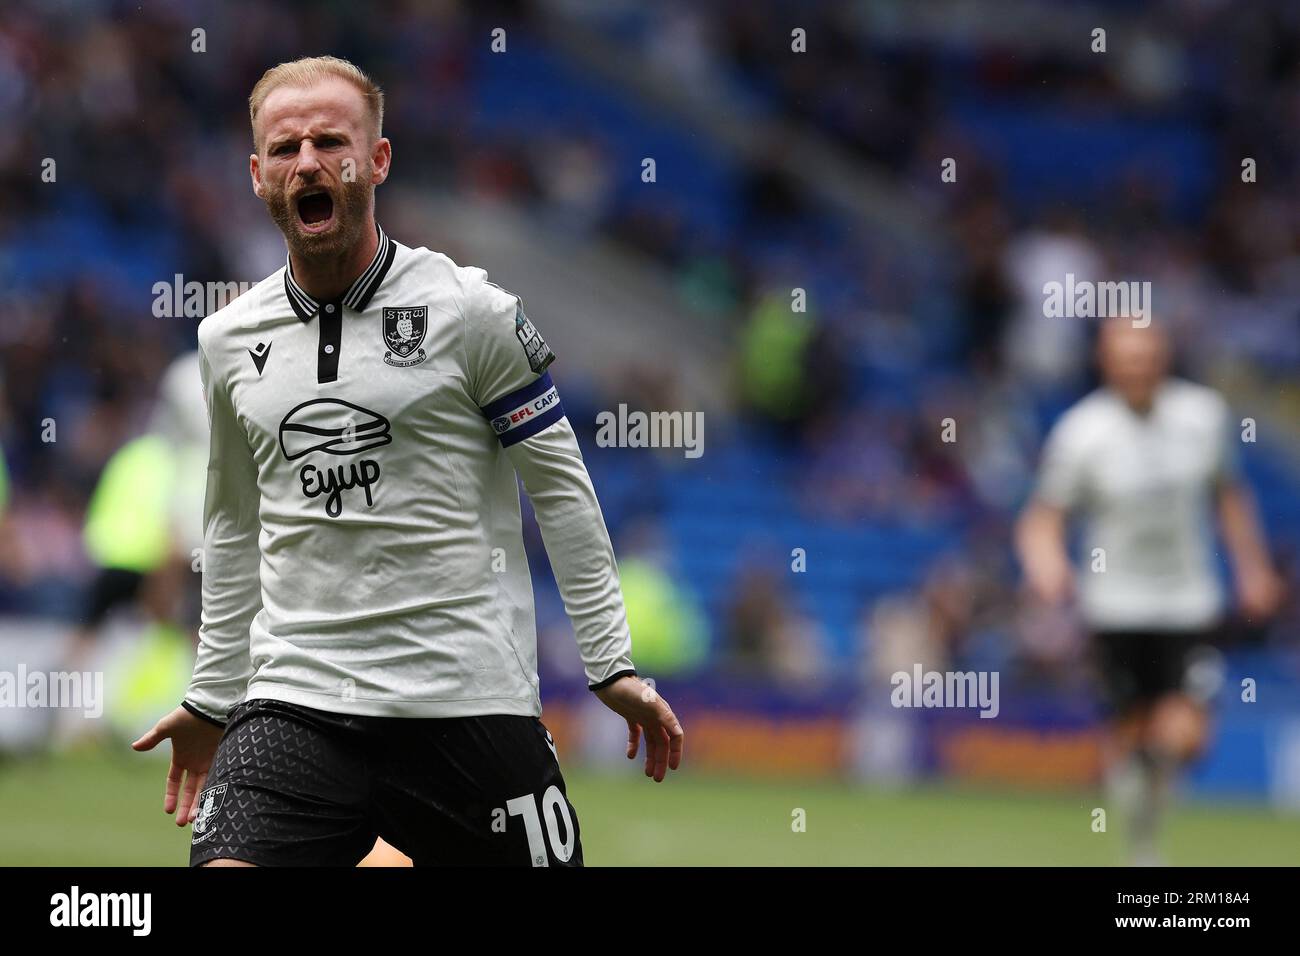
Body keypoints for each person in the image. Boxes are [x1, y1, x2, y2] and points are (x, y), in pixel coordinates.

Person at [132, 56, 683, 867]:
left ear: (378, 160)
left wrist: (609, 664)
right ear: (257, 176)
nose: (309, 162)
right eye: (285, 149)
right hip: (296, 700)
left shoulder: (472, 312)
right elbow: (234, 530)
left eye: (331, 141)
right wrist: (213, 698)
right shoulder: (226, 341)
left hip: (465, 700)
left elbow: (561, 491)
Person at [1015, 316, 1282, 865]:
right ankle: (1142, 841)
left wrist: (1253, 569)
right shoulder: (1081, 432)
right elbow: (1042, 517)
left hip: (1190, 603)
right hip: (1116, 608)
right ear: (1106, 361)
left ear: (1163, 357)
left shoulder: (1202, 417)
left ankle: (1149, 775)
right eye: (1126, 355)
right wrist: (1047, 565)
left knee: (1185, 737)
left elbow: (1230, 497)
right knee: (1132, 734)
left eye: (1146, 355)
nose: (1137, 365)